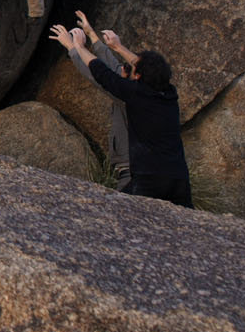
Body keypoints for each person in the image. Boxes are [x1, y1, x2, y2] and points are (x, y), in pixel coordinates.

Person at [48, 23, 193, 207]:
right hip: (178, 176)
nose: (125, 69)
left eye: (132, 70)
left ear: (138, 77)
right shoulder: (169, 94)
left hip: (147, 176)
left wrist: (75, 46)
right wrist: (115, 46)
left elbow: (99, 72)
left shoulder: (133, 94)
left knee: (129, 216)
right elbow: (150, 68)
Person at [66, 10, 134, 193]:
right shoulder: (154, 92)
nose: (121, 70)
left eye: (126, 71)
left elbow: (98, 76)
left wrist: (74, 48)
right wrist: (92, 35)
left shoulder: (130, 99)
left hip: (133, 174)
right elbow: (113, 67)